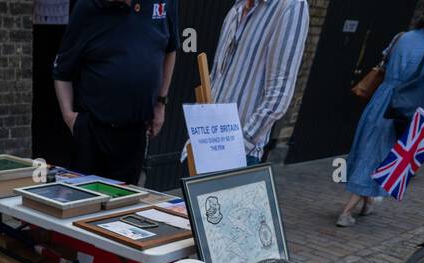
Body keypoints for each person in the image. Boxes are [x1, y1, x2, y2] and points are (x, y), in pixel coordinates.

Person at [338, 0, 424, 227]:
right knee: (380, 154)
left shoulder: (401, 36)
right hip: (405, 104)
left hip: (381, 99)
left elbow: (385, 65)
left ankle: (367, 202)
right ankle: (347, 211)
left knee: (367, 145)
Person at [53, 0, 179, 184]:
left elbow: (170, 49)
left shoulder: (165, 3)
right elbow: (62, 69)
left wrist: (160, 103)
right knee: (85, 203)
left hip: (135, 131)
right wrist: (70, 117)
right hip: (92, 129)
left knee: (125, 204)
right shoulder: (88, 7)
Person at [206, 0, 310, 163]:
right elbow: (217, 75)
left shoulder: (291, 5)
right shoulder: (237, 7)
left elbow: (279, 95)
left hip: (240, 154)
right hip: (207, 144)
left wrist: (240, 144)